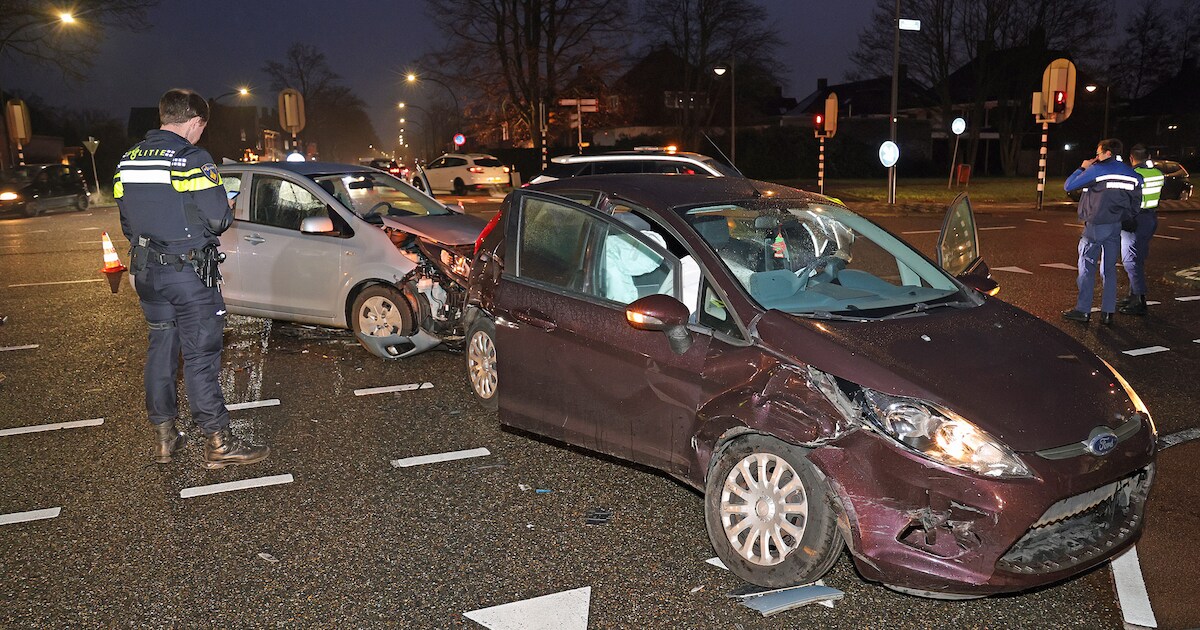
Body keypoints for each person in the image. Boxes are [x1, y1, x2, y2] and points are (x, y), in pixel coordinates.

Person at [115, 89, 269, 468]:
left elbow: (127, 224)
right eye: (202, 126)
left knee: (160, 352)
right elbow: (218, 220)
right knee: (201, 358)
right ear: (195, 122)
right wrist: (225, 204)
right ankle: (219, 443)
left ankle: (166, 438)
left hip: (147, 272)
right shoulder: (191, 159)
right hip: (188, 275)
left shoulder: (128, 160)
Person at [1061, 138, 1142, 325]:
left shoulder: (1097, 170)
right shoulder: (1132, 174)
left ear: (1107, 153)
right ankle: (1107, 312)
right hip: (1115, 225)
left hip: (1095, 225)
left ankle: (1083, 310)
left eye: (1098, 153)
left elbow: (1069, 186)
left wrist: (1082, 168)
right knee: (1109, 269)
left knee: (1087, 267)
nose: (1096, 157)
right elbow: (1136, 201)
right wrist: (1125, 215)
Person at [1118, 144, 1162, 316]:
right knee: (1138, 258)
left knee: (1130, 260)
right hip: (1150, 218)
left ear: (1131, 157)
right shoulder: (1158, 174)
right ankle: (1133, 294)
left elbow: (1125, 199)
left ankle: (1139, 299)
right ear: (1148, 156)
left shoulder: (1132, 176)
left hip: (1134, 220)